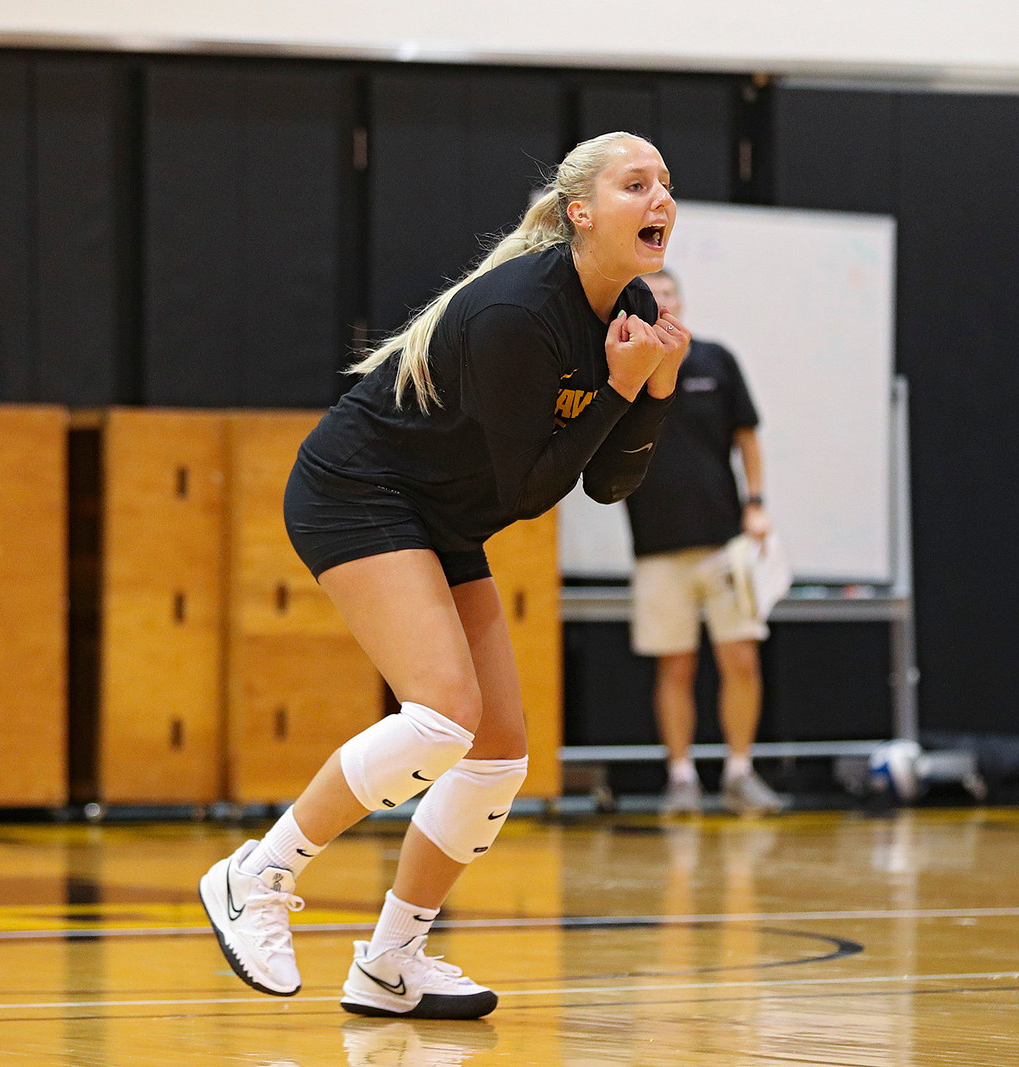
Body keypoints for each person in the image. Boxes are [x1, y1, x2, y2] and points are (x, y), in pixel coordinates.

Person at [198, 131, 688, 1020]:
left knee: (498, 755)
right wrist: (621, 390)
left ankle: (390, 961)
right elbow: (530, 493)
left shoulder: (634, 305)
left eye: (665, 183)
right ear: (580, 212)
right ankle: (256, 874)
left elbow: (610, 485)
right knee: (442, 716)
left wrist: (653, 387)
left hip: (447, 515)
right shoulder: (519, 312)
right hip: (359, 490)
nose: (661, 198)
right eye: (636, 184)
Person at [623, 269, 787, 816]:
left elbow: (747, 437)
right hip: (657, 548)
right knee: (675, 667)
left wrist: (756, 503)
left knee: (740, 658)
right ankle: (681, 778)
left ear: (682, 302)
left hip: (724, 543)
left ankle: (739, 773)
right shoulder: (623, 368)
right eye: (651, 296)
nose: (661, 302)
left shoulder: (716, 361)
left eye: (669, 294)